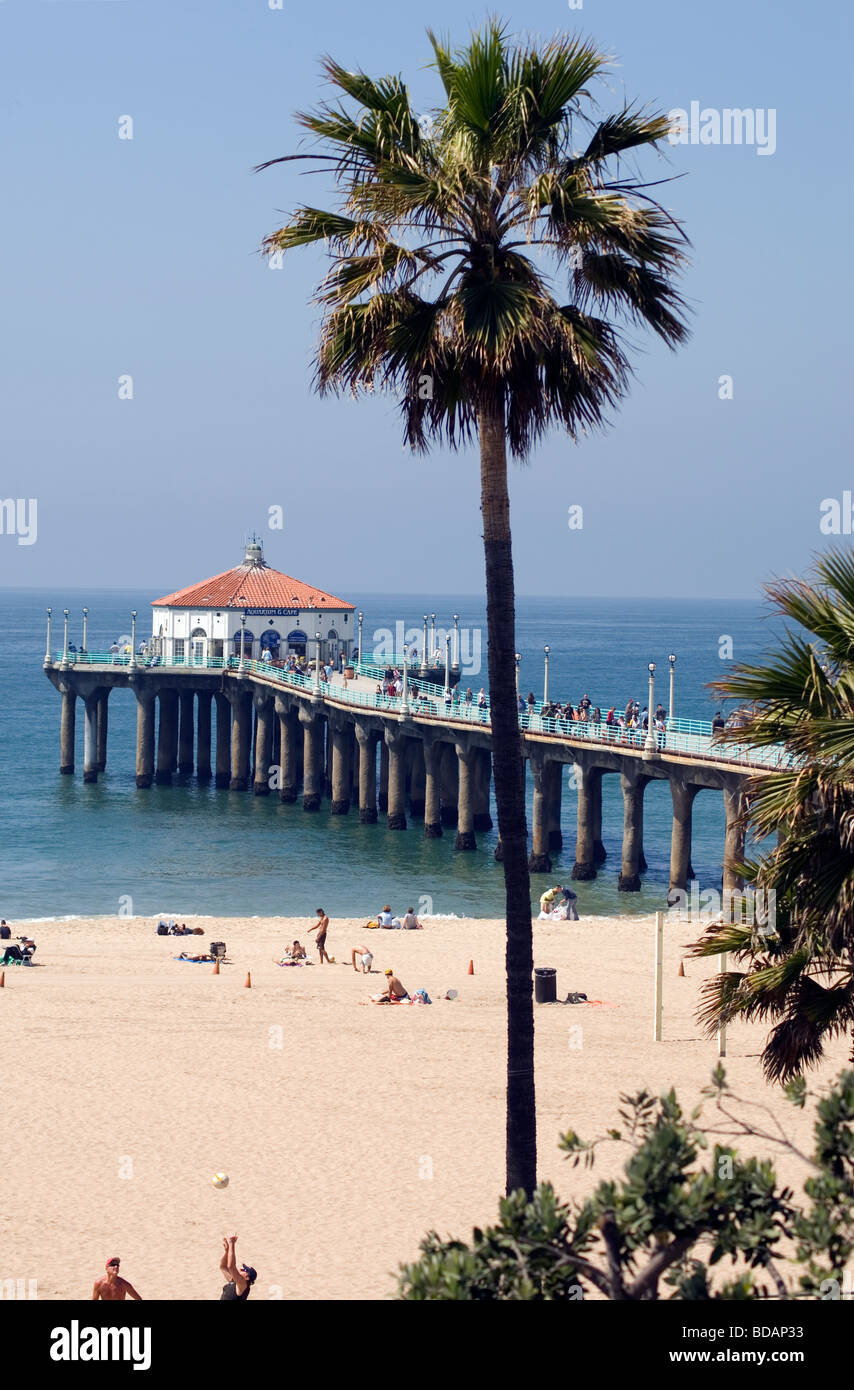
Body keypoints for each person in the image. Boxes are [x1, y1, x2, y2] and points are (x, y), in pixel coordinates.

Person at [219, 1236, 256, 1301]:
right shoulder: (234, 1281)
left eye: (243, 1270)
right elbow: (223, 1267)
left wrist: (231, 1244)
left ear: (247, 1277)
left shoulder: (243, 1285)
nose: (240, 1269)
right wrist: (227, 1252)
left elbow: (231, 1266)